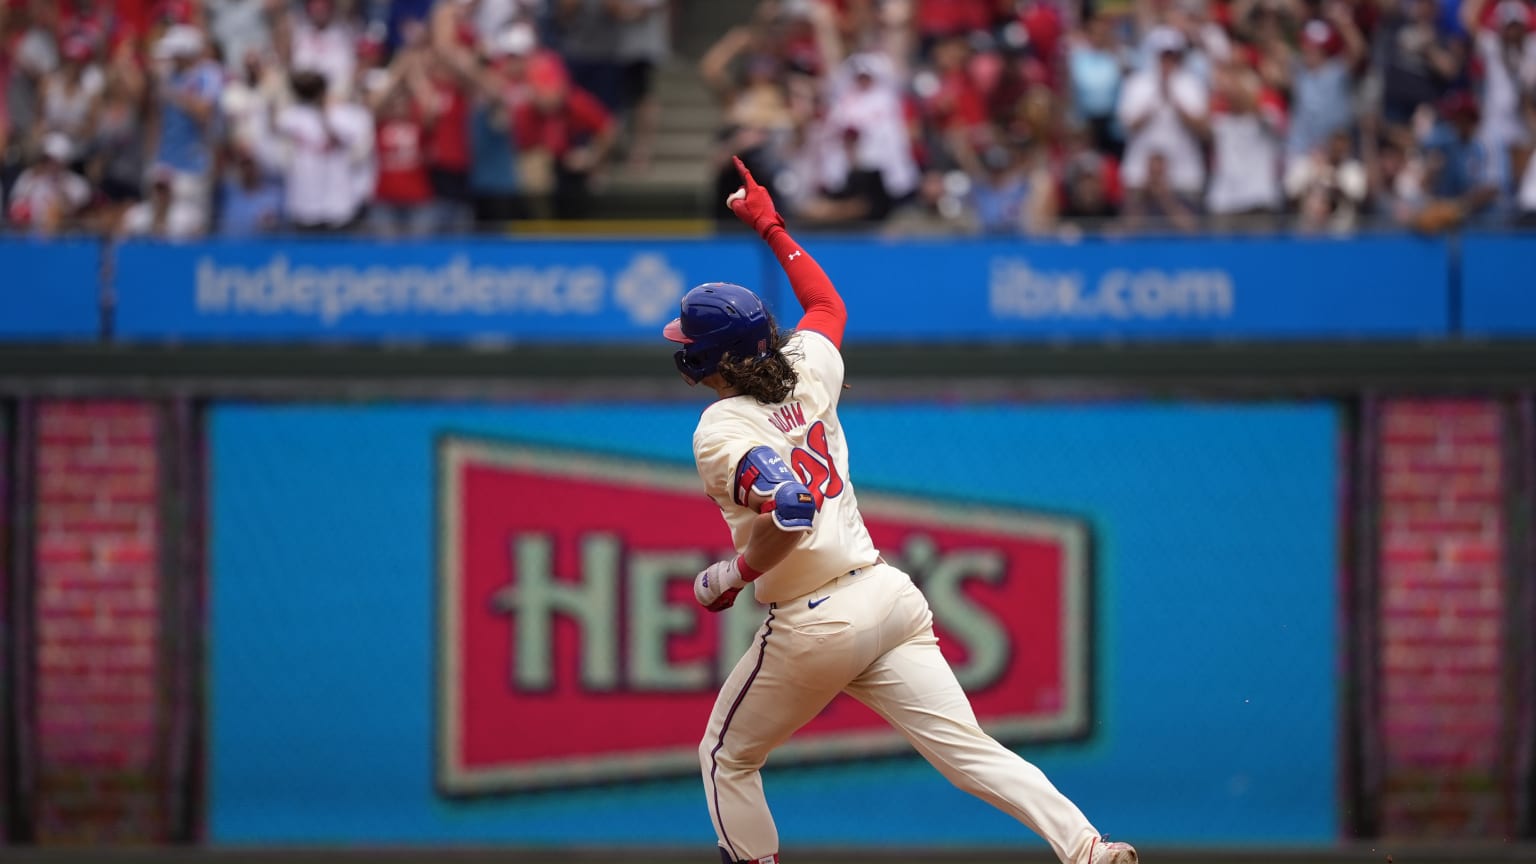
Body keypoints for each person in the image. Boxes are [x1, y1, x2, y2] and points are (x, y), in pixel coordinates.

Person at [663, 156, 1138, 864]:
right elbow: (827, 306)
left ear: (712, 364)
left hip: (817, 617)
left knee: (725, 757)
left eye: (690, 348)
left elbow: (787, 507)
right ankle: (1088, 850)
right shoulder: (808, 365)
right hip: (886, 597)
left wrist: (732, 574)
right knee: (969, 752)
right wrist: (770, 226)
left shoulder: (721, 428)